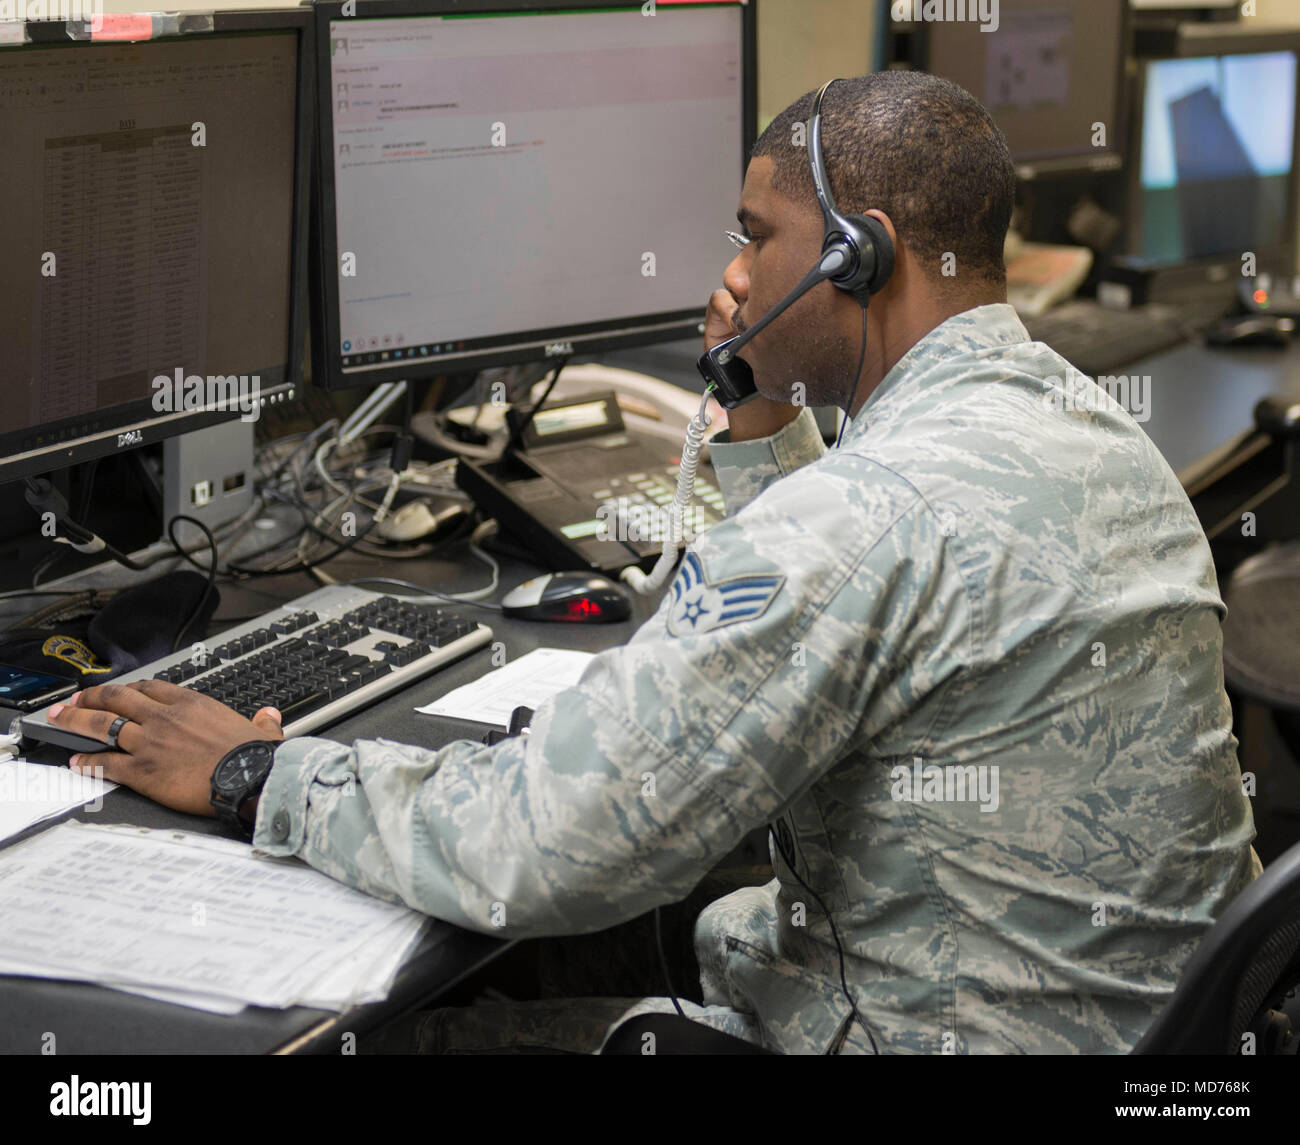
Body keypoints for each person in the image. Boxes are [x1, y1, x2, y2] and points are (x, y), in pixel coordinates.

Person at [47, 72, 1260, 1054]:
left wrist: (257, 772)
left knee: (417, 1028)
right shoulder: (1087, 426)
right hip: (1147, 1027)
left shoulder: (863, 518)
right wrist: (754, 415)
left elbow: (553, 842)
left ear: (858, 256)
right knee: (670, 925)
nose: (733, 269)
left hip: (921, 1028)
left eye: (755, 233)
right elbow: (850, 601)